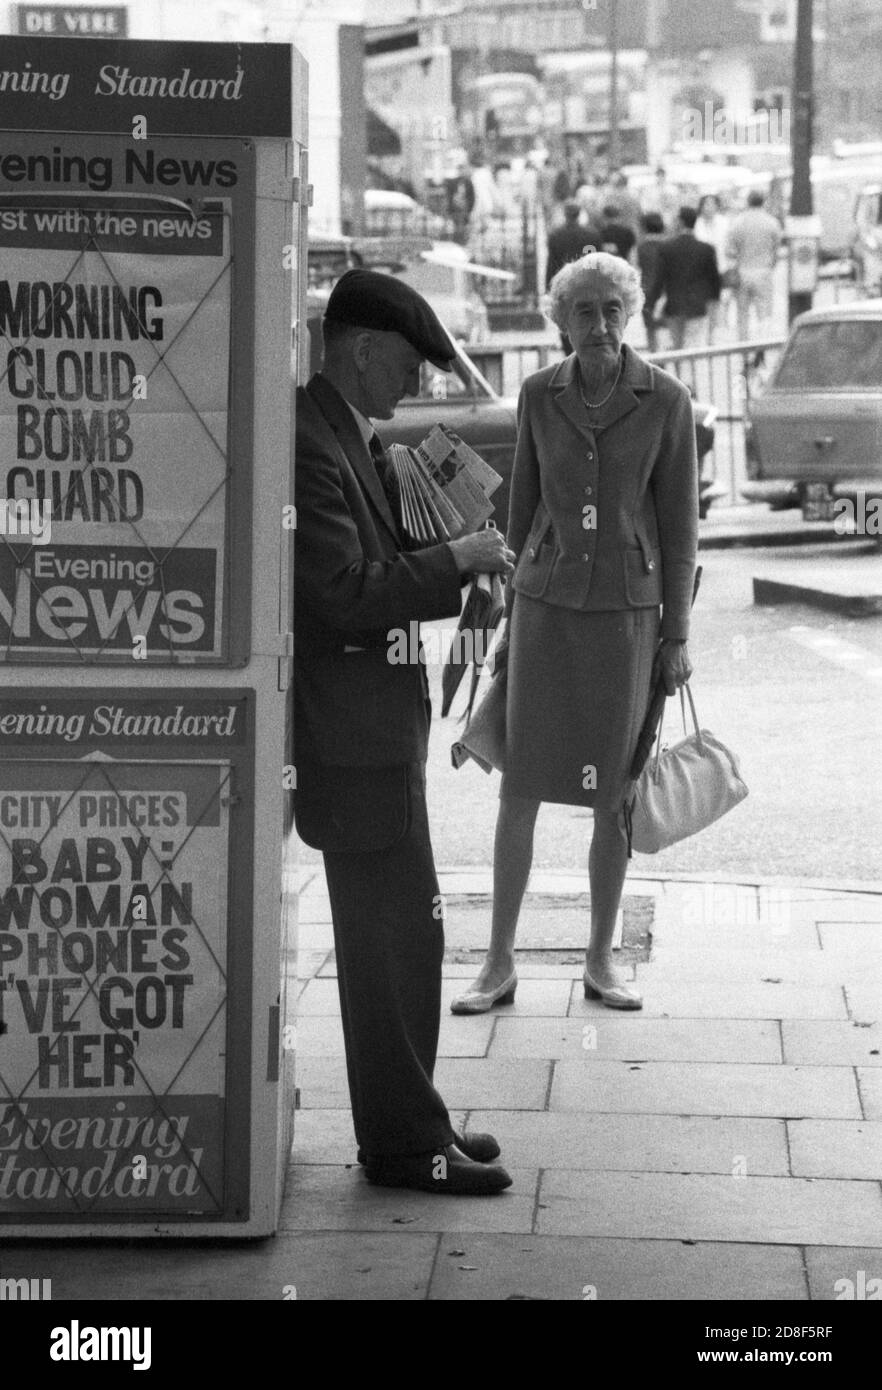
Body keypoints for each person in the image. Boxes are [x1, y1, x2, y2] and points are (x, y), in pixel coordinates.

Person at [293, 268, 516, 1194]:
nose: (416, 387)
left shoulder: (348, 434)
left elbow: (379, 563)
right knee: (385, 945)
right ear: (363, 349)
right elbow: (342, 594)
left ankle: (416, 1118)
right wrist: (452, 560)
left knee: (412, 937)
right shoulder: (312, 443)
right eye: (409, 367)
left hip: (379, 730)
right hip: (350, 739)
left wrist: (458, 565)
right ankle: (401, 1147)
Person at [450, 252, 697, 1016]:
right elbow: (523, 504)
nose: (600, 324)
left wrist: (677, 635)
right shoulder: (537, 395)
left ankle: (600, 958)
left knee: (614, 796)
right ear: (561, 321)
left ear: (632, 314)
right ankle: (497, 962)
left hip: (628, 617)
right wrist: (503, 604)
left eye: (612, 309)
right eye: (584, 311)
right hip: (546, 609)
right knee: (520, 785)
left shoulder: (666, 400)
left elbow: (680, 524)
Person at [646, 205, 722, 350]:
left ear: (680, 222)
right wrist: (714, 300)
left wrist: (651, 302)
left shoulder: (666, 248)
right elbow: (714, 279)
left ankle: (679, 372)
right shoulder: (706, 249)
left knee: (676, 347)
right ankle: (689, 372)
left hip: (673, 305)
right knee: (692, 346)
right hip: (697, 306)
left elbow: (659, 280)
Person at [725, 189, 782, 341]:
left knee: (742, 314)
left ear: (747, 202)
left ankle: (744, 352)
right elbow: (777, 250)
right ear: (763, 201)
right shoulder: (771, 222)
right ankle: (761, 348)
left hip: (742, 271)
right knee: (764, 313)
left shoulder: (737, 222)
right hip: (764, 271)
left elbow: (730, 251)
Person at [546, 201, 602, 353]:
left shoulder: (556, 236)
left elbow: (553, 263)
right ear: (579, 215)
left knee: (566, 318)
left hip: (564, 284)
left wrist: (549, 288)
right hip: (586, 284)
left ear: (565, 215)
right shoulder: (591, 235)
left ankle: (569, 350)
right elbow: (594, 260)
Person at [694, 193, 731, 341]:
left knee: (718, 302)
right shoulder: (696, 224)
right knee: (702, 303)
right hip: (700, 271)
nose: (709, 208)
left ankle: (713, 334)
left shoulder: (724, 223)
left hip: (720, 268)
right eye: (706, 204)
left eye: (712, 204)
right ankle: (703, 334)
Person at [636, 211, 666, 351]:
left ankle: (656, 357)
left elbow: (638, 267)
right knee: (666, 328)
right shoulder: (668, 245)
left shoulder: (641, 248)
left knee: (651, 329)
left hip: (647, 290)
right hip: (666, 290)